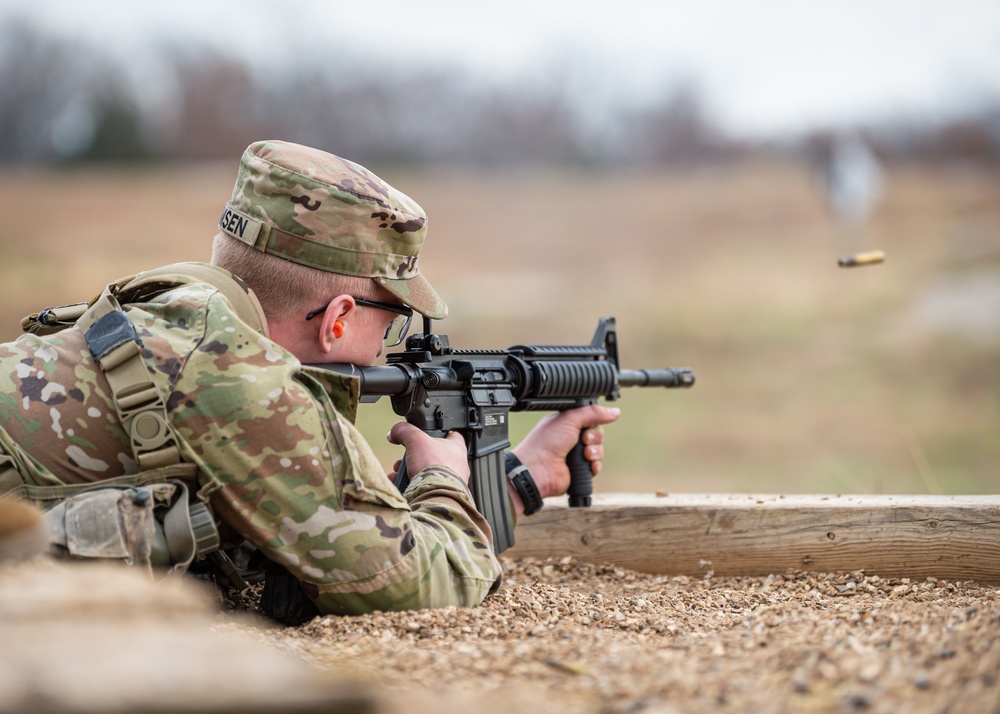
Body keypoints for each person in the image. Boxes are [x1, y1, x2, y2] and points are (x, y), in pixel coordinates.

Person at [0, 140, 620, 617]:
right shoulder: (249, 386)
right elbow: (421, 584)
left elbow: (281, 541)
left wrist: (518, 480)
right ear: (339, 320)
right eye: (395, 318)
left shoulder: (173, 309)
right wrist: (442, 476)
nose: (391, 345)